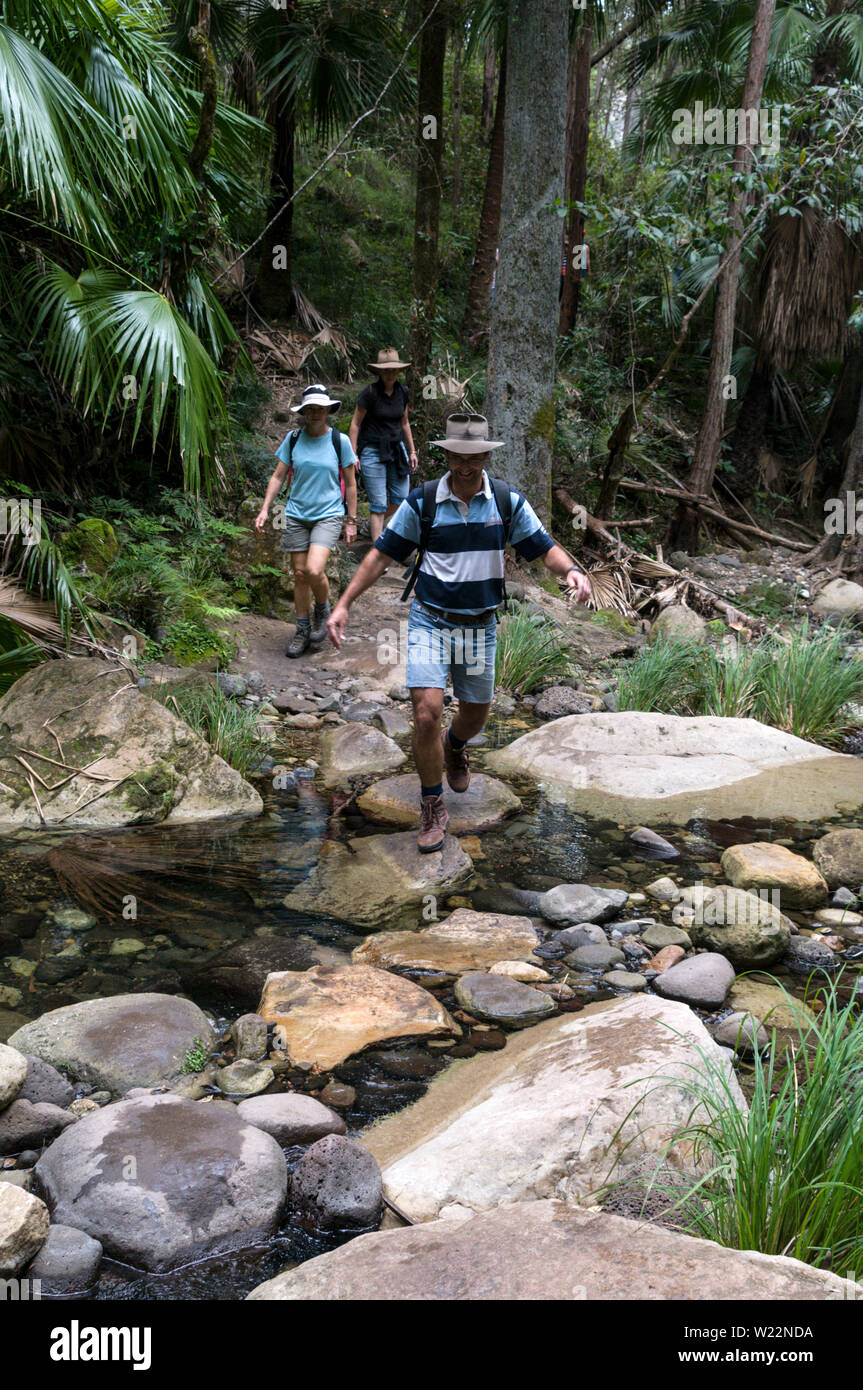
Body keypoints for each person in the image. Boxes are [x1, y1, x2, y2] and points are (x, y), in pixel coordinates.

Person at [328, 413, 592, 851]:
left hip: (480, 626)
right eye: (457, 455)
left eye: (475, 457)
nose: (466, 465)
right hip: (431, 618)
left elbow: (544, 548)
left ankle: (455, 745)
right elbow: (381, 556)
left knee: (474, 715)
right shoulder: (423, 502)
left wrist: (573, 572)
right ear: (446, 453)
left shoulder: (507, 502)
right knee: (426, 710)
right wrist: (343, 604)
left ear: (487, 455)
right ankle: (432, 806)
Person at [256, 383, 357, 658]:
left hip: (328, 514)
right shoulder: (293, 439)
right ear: (304, 412)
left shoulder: (340, 441)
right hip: (297, 514)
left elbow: (350, 484)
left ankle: (323, 607)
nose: (315, 413)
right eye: (310, 409)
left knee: (313, 570)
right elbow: (278, 476)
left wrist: (351, 520)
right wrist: (266, 508)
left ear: (327, 411)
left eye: (320, 409)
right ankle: (301, 629)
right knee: (300, 575)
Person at [349, 347, 418, 543]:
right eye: (386, 370)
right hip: (372, 449)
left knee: (402, 498)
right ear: (379, 371)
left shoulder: (403, 392)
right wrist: (353, 454)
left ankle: (369, 527)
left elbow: (404, 423)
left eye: (394, 370)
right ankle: (377, 552)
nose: (391, 374)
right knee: (378, 504)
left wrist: (412, 451)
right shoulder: (369, 393)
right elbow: (355, 424)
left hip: (396, 449)